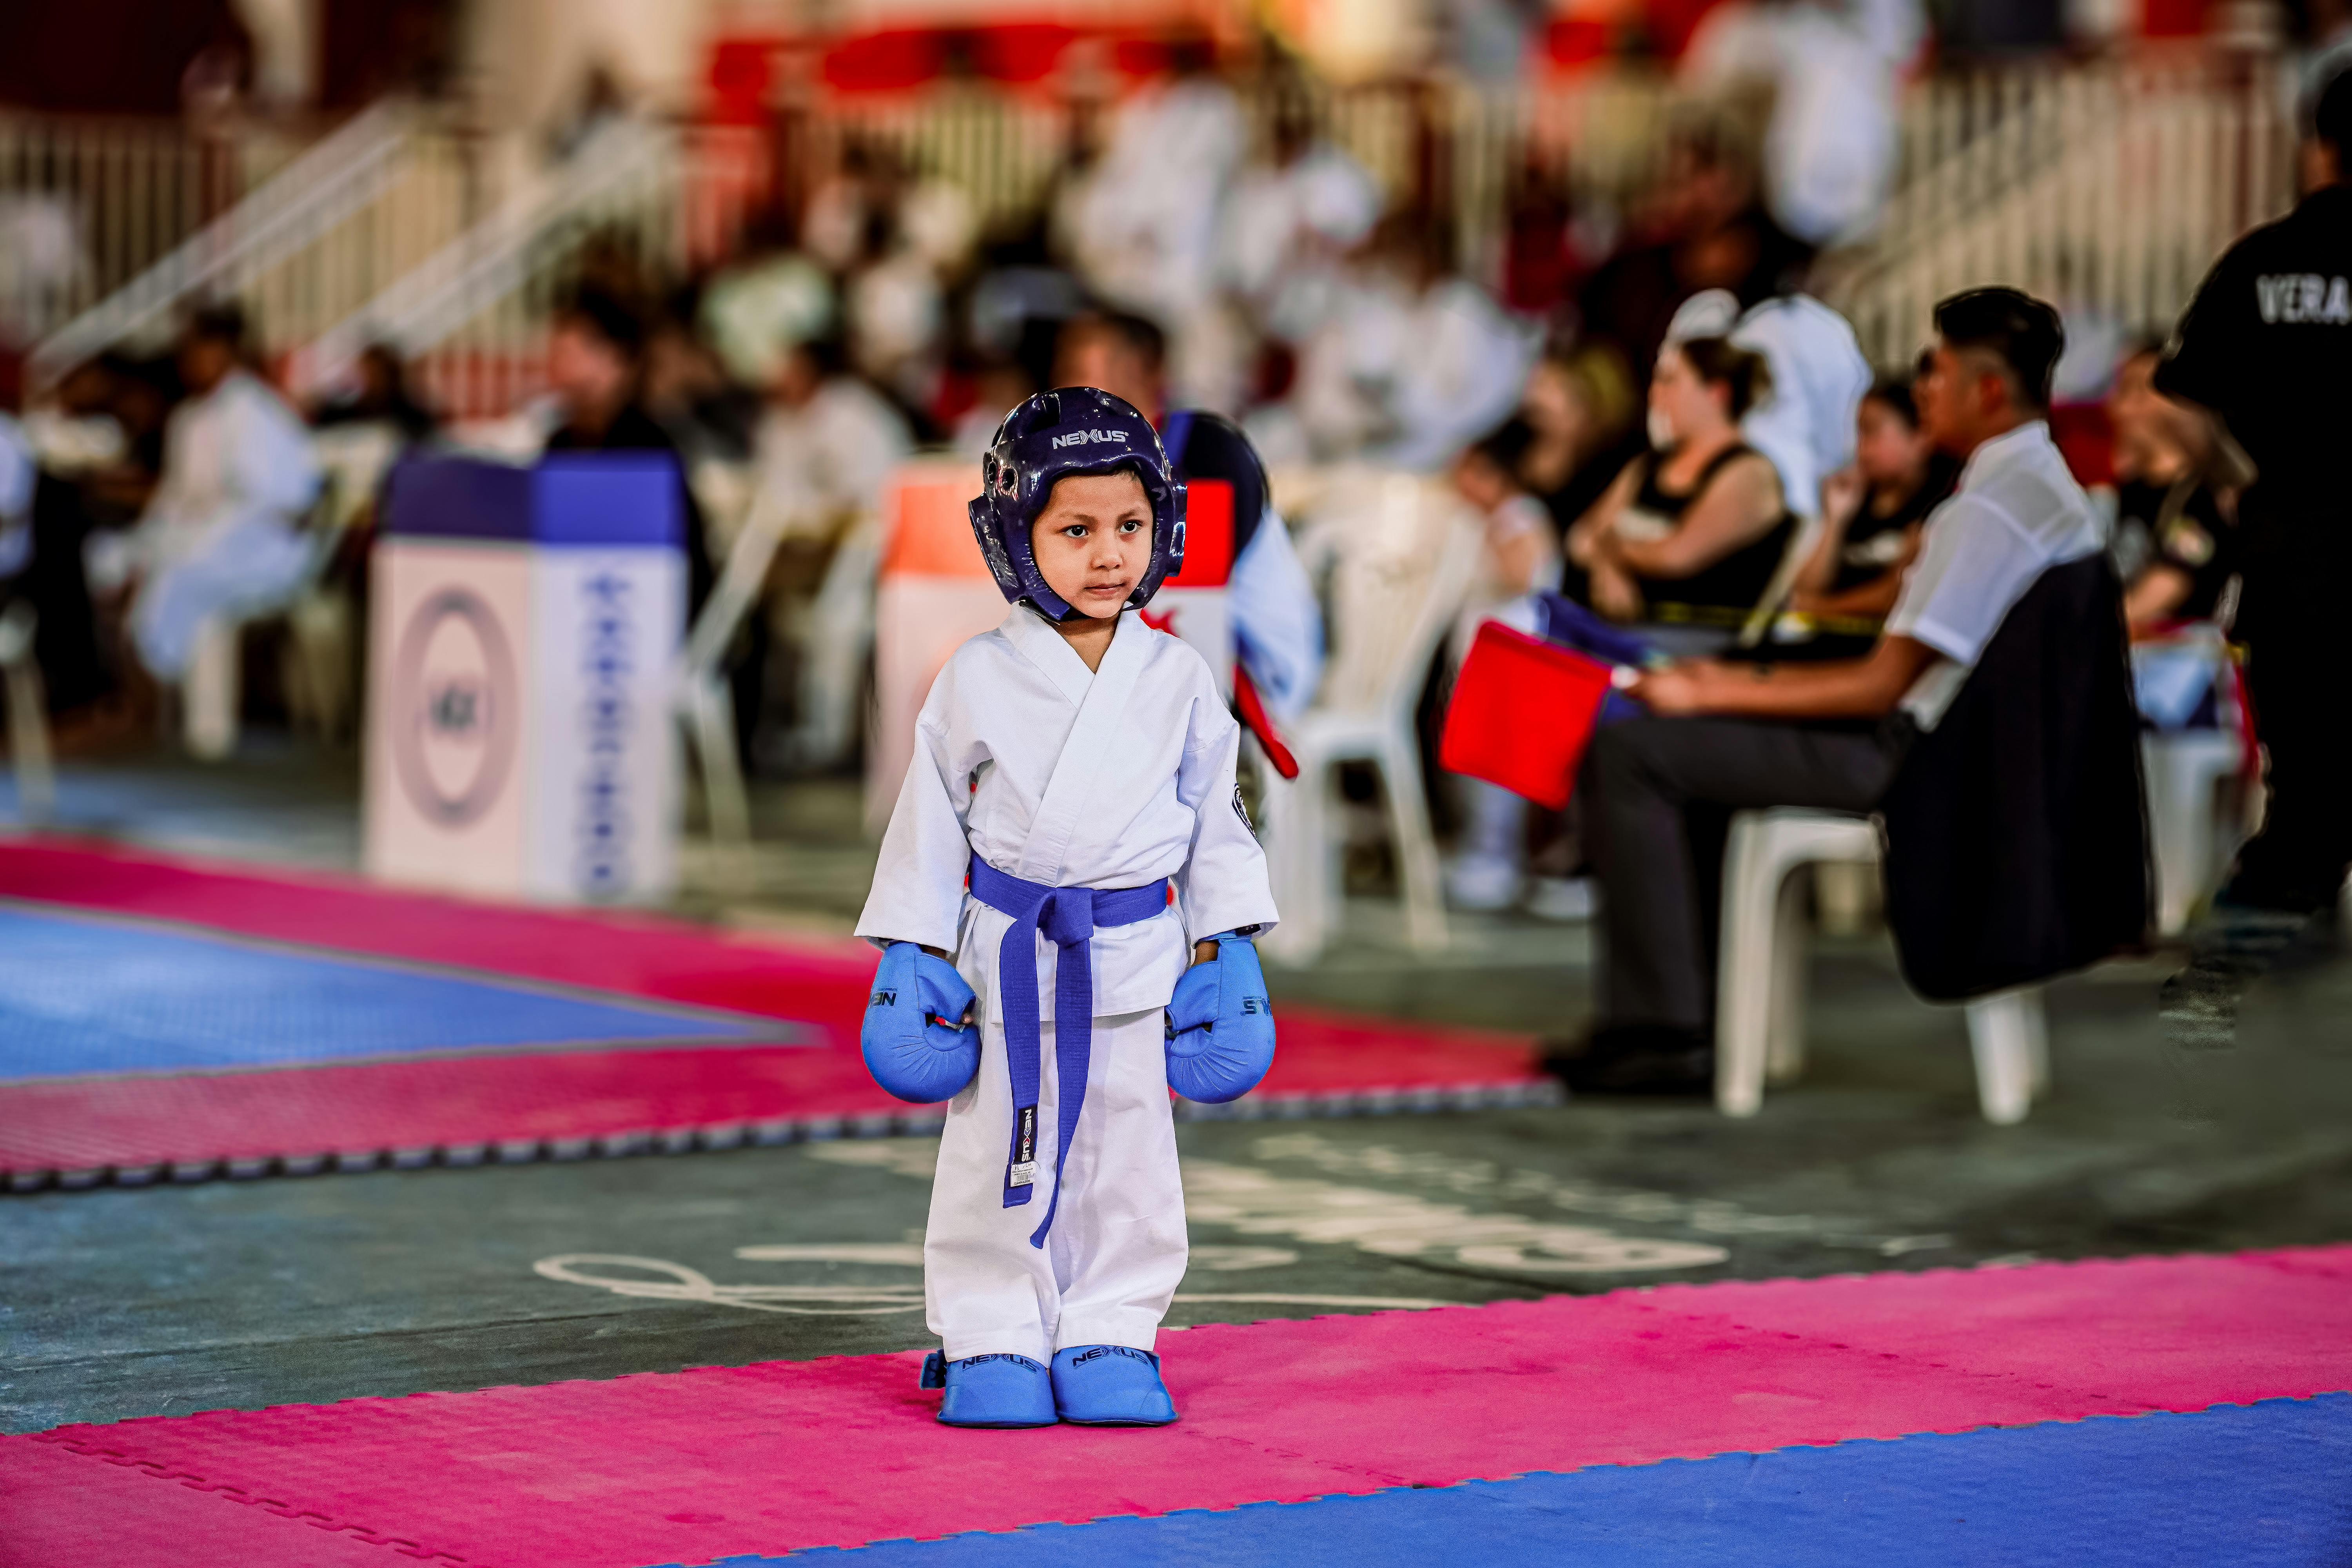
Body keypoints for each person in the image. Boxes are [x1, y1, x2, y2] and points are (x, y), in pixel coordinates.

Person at [1555, 287, 2103, 1093]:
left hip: (1924, 758)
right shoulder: (2042, 488)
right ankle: (1688, 1009)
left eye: (1937, 373)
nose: (1921, 390)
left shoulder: (1989, 509)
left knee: (1634, 748)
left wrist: (1714, 693)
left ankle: (1665, 1030)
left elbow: (1881, 686)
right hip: (1967, 744)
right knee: (1673, 741)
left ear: (1987, 390)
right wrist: (1725, 682)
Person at [854, 388, 1278, 1428]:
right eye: (1076, 530)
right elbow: (932, 820)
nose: (1108, 556)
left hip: (1135, 956)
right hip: (1005, 958)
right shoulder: (977, 676)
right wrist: (911, 953)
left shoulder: (1177, 675)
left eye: (1129, 528)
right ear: (1014, 537)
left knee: (1129, 1162)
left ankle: (1112, 1329)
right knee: (992, 1153)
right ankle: (992, 1333)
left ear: (1163, 529)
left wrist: (1226, 948)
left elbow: (1215, 823)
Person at [2153, 67, 2352, 1052]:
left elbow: (2182, 402)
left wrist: (2239, 479)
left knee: (2309, 791)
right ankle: (2235, 960)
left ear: (2320, 146)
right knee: (2321, 807)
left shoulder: (2262, 261)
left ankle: (2233, 964)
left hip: (2290, 569)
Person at [1055, 310, 1323, 726]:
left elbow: (1169, 591)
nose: (1062, 389)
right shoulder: (1102, 460)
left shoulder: (1209, 451)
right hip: (1180, 661)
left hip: (1260, 675)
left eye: (1077, 369)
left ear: (1140, 370)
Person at [122, 304, 320, 683]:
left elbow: (274, 505)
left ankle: (146, 697)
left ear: (223, 351)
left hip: (259, 547)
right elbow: (173, 500)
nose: (187, 360)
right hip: (199, 536)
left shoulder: (257, 411)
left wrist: (182, 541)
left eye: (195, 349)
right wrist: (148, 543)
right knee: (115, 560)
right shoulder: (188, 418)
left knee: (176, 573)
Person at [1566, 335, 1793, 650]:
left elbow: (1673, 557)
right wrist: (1608, 568)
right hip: (1612, 628)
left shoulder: (1750, 475)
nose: (1656, 395)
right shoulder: (1651, 463)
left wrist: (1609, 551)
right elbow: (1581, 537)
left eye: (1671, 382)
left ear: (1716, 394)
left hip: (1688, 646)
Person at [1785, 376, 1962, 652]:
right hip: (1823, 645)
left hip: (1872, 654)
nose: (1859, 447)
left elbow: (1896, 594)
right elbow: (1807, 590)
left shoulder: (1939, 508)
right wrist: (1836, 520)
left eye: (1871, 431)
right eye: (1858, 432)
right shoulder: (1858, 500)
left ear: (1921, 436)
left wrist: (1821, 610)